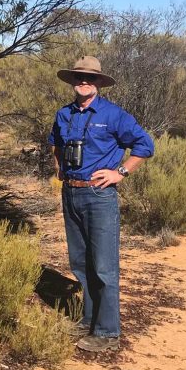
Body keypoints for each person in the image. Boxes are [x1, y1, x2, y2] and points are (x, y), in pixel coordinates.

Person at [48, 56, 154, 354]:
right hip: (71, 193)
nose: (84, 82)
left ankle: (108, 333)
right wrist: (58, 168)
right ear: (72, 80)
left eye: (90, 78)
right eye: (79, 77)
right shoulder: (63, 114)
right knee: (80, 263)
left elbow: (145, 146)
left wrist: (119, 172)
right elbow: (55, 142)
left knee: (104, 266)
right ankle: (88, 320)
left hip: (99, 196)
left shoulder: (114, 115)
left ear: (98, 83)